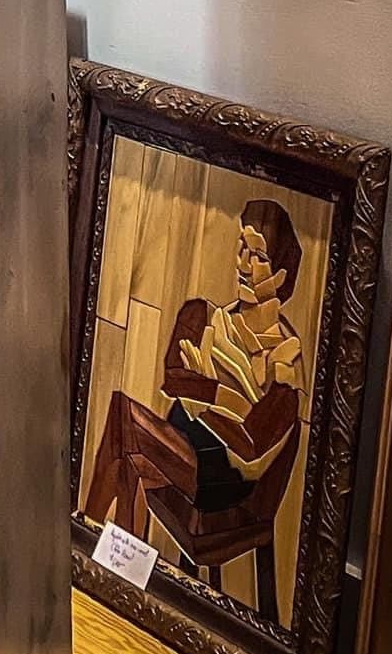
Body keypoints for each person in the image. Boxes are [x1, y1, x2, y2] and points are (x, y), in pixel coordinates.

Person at [82, 198, 306, 546]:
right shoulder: (205, 316)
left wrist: (206, 396)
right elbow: (173, 378)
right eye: (242, 248)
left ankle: (81, 539)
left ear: (281, 275)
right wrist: (230, 400)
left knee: (123, 417)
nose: (244, 264)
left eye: (258, 257)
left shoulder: (285, 359)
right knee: (130, 459)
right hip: (181, 446)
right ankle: (112, 570)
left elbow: (250, 444)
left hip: (222, 479)